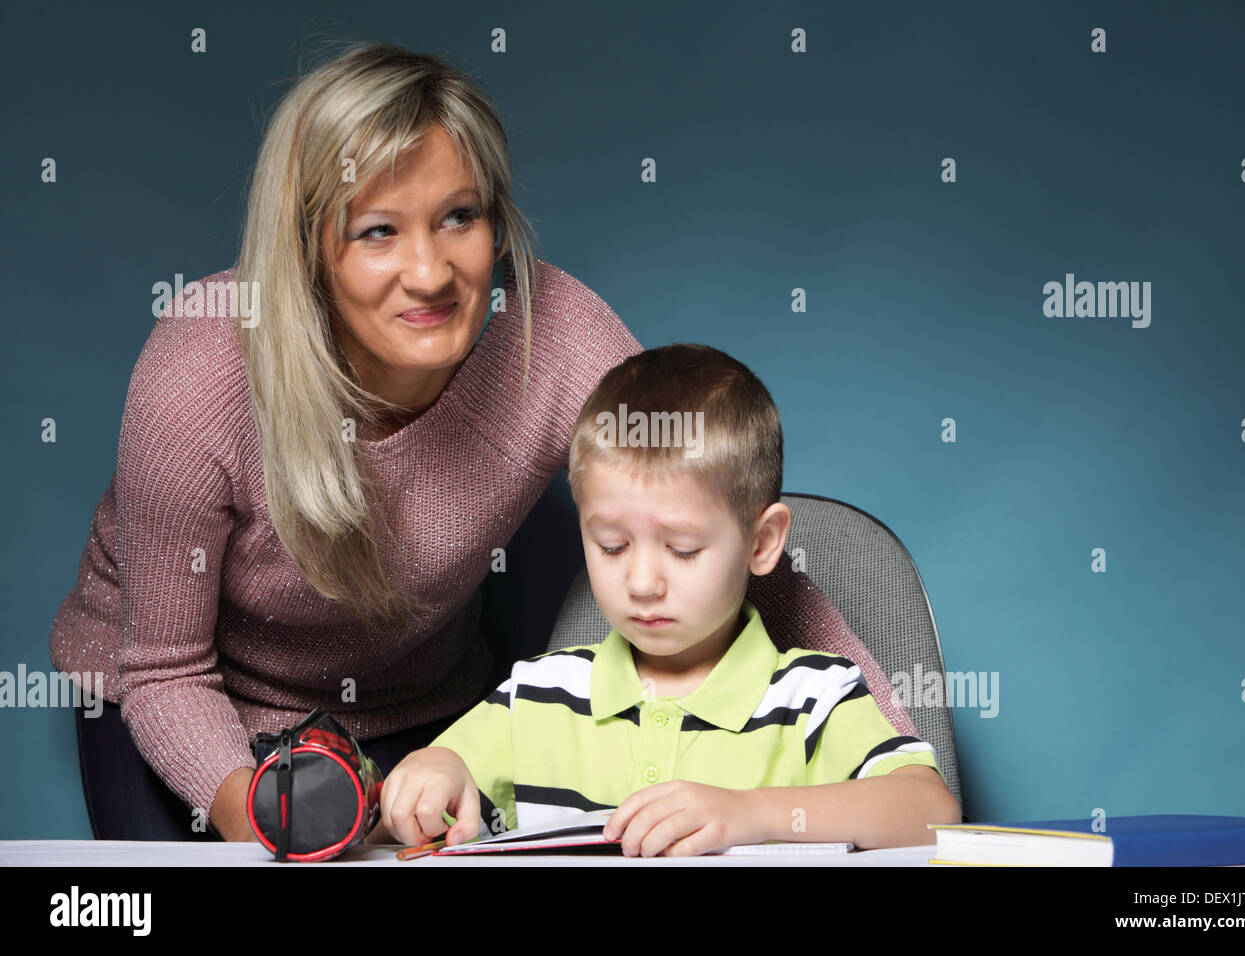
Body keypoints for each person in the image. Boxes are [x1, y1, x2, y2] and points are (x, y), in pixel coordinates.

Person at [49, 42, 930, 844]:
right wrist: (274, 822)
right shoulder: (196, 373)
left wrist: (896, 745)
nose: (430, 273)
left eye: (459, 218)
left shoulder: (553, 335)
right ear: (307, 248)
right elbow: (164, 669)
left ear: (497, 223)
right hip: (176, 702)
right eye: (377, 230)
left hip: (423, 709)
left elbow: (705, 508)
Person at [380, 345, 959, 855]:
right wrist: (433, 773)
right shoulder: (536, 696)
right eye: (611, 545)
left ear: (761, 543)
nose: (642, 582)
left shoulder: (813, 697)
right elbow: (422, 810)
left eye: (682, 549)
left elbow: (931, 812)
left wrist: (749, 814)